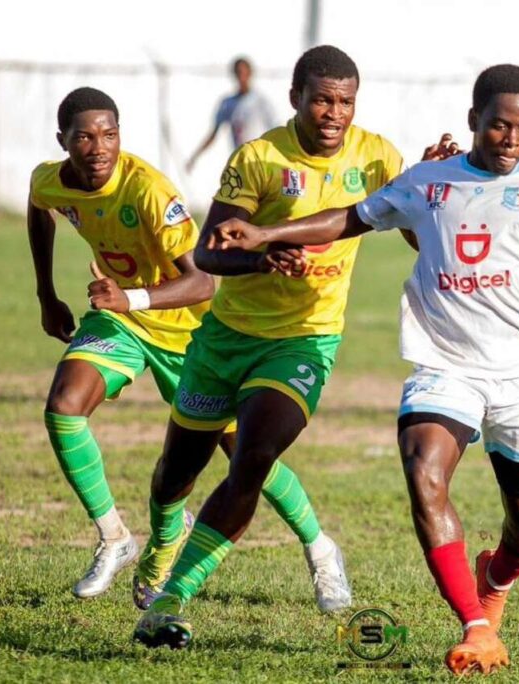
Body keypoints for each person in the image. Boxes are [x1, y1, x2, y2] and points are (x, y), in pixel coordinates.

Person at [209, 64, 519, 675]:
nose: (510, 138)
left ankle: (495, 579)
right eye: (499, 124)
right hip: (442, 365)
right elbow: (350, 218)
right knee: (424, 469)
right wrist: (266, 231)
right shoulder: (428, 182)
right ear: (473, 119)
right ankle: (476, 628)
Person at [131, 45, 455, 649]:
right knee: (176, 474)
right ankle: (160, 546)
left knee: (252, 456)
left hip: (306, 340)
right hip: (226, 340)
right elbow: (207, 254)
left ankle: (173, 597)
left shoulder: (377, 155)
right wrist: (263, 258)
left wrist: (428, 184)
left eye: (346, 102)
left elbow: (415, 235)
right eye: (323, 100)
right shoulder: (259, 158)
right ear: (296, 100)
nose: (335, 113)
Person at [28, 87, 344, 608]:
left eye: (110, 134)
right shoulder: (49, 178)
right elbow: (40, 206)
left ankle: (320, 548)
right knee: (63, 407)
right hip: (123, 321)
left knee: (244, 457)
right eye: (84, 136)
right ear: (62, 141)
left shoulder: (149, 191)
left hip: (190, 337)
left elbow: (203, 282)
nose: (99, 146)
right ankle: (114, 537)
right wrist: (46, 293)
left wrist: (128, 297)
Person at [186, 57, 276, 172]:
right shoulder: (228, 103)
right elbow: (214, 133)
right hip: (239, 163)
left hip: (260, 162)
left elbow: (276, 130)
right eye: (238, 73)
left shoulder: (261, 102)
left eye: (243, 73)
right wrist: (195, 156)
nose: (241, 77)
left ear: (250, 74)